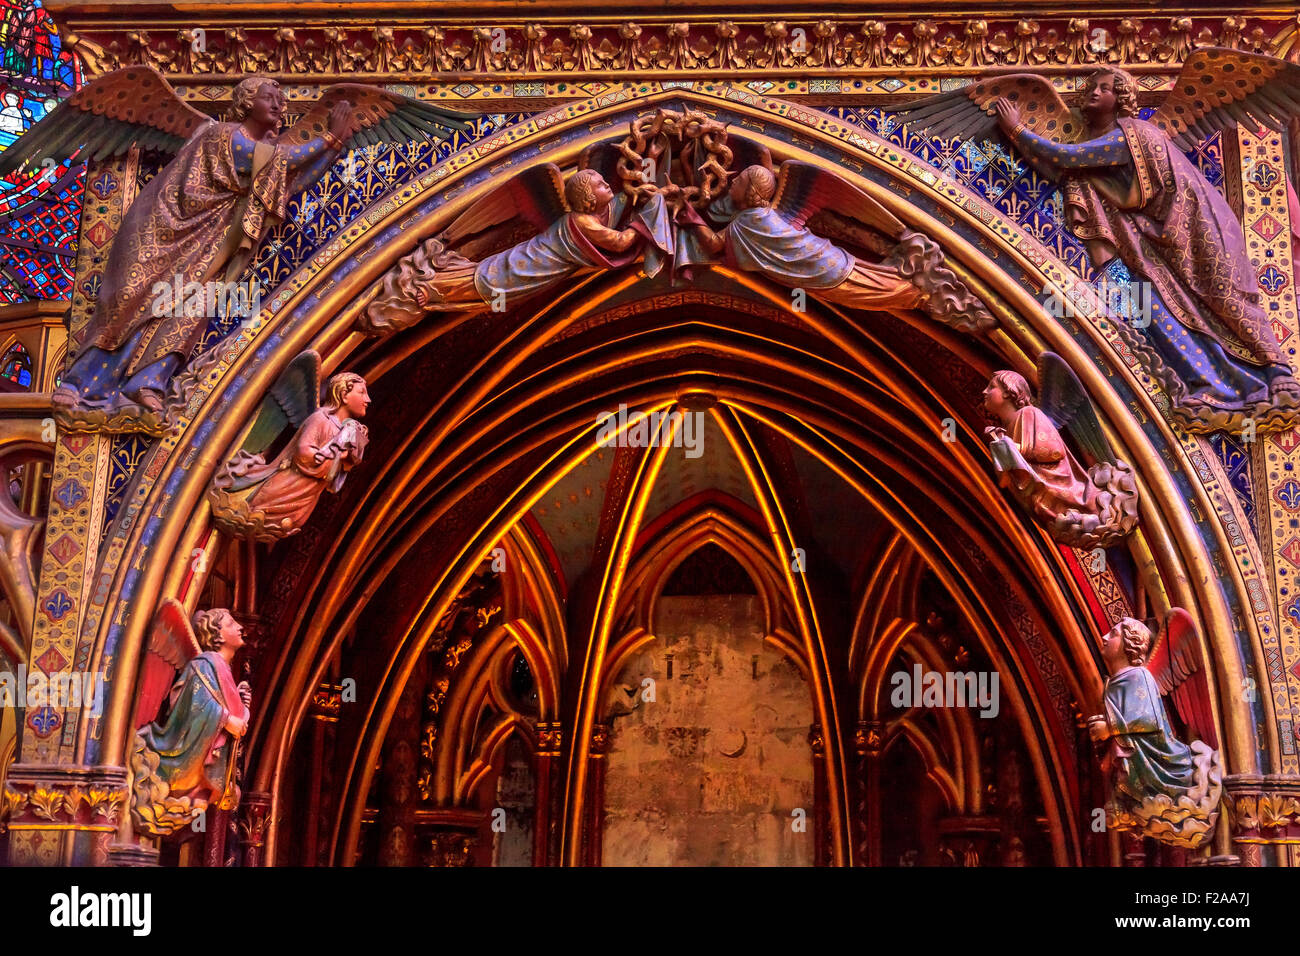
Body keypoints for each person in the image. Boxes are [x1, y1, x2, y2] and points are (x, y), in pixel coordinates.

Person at [993, 69, 1300, 424]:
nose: (1094, 92)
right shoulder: (1095, 151)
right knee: (1156, 310)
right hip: (1153, 242)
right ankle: (1213, 383)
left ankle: (1276, 372)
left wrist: (1016, 129)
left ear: (1122, 100)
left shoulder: (1133, 134)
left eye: (1105, 88)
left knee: (1223, 293)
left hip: (1196, 227)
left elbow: (1065, 156)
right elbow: (1068, 169)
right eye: (1091, 87)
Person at [57, 77, 354, 420]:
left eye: (281, 100)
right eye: (269, 97)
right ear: (245, 103)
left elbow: (290, 181)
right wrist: (329, 137)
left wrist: (333, 148)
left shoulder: (266, 156)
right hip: (167, 234)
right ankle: (79, 383)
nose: (278, 105)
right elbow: (278, 159)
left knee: (191, 310)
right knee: (134, 303)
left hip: (210, 246)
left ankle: (147, 383)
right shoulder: (223, 135)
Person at [671, 164, 924, 312]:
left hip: (825, 268)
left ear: (750, 190)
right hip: (822, 266)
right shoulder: (748, 221)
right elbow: (717, 243)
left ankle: (917, 292)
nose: (733, 182)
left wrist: (689, 212)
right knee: (868, 287)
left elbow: (714, 244)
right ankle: (915, 288)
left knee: (872, 290)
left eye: (739, 181)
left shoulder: (749, 221)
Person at [137, 608, 251, 813]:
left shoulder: (222, 667)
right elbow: (196, 706)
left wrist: (243, 705)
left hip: (202, 773)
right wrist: (225, 719)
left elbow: (237, 724)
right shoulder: (205, 664)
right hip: (185, 755)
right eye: (232, 624)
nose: (240, 627)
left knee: (201, 813)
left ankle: (196, 824)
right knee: (196, 809)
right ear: (218, 634)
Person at [240, 372, 370, 534]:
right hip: (288, 486)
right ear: (344, 395)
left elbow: (337, 474)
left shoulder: (345, 430)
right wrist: (336, 454)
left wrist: (350, 450)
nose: (368, 400)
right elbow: (303, 451)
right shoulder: (320, 419)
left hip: (305, 496)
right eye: (362, 392)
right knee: (254, 512)